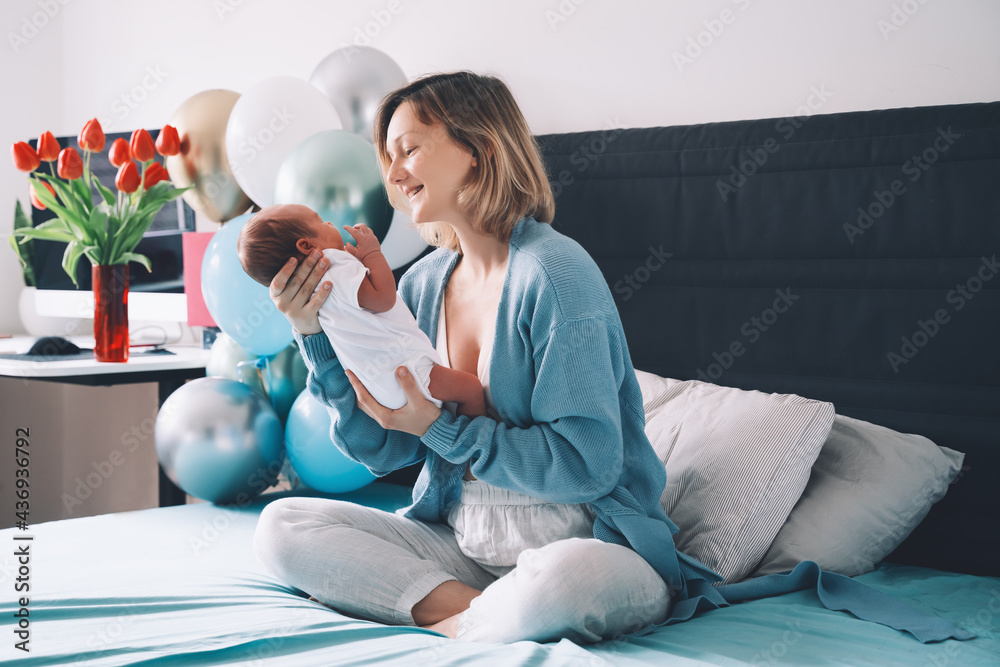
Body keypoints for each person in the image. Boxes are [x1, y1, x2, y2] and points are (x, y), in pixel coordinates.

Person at [252, 70, 717, 644]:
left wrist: (442, 431)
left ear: (479, 150)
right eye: (387, 159)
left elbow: (587, 465)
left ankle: (467, 613)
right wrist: (312, 334)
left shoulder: (555, 273)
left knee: (562, 583)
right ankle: (480, 617)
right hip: (465, 543)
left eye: (410, 150)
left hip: (590, 544)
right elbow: (382, 448)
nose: (393, 176)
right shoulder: (419, 286)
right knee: (284, 525)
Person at [236, 204, 486, 417]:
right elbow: (382, 299)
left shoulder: (312, 296)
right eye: (321, 221)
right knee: (471, 389)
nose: (330, 222)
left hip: (382, 387)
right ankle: (470, 456)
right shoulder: (335, 265)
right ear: (306, 245)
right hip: (409, 372)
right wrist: (373, 254)